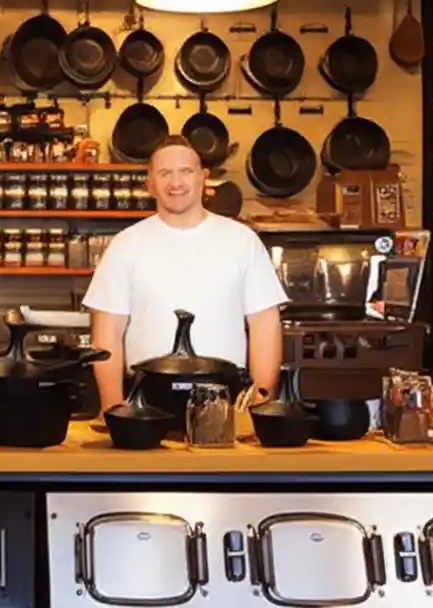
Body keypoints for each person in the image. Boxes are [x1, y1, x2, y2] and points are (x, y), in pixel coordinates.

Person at [82, 134, 288, 412]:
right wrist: (113, 410)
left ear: (203, 178)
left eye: (186, 172)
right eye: (165, 173)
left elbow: (265, 325)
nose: (176, 182)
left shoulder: (242, 241)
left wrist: (260, 404)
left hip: (224, 402)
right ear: (150, 184)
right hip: (145, 401)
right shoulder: (125, 245)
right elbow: (106, 334)